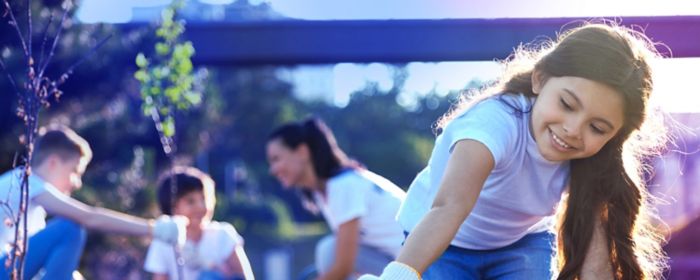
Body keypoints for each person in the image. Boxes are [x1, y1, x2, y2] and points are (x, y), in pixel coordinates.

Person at [360, 23, 668, 280]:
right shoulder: (492, 125)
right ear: (540, 79)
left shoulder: (596, 158)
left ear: (615, 135)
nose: (573, 130)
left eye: (597, 128)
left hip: (521, 243)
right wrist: (398, 275)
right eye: (566, 104)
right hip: (445, 241)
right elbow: (449, 207)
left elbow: (595, 255)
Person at [0, 125, 186, 280]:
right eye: (75, 171)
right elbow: (89, 218)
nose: (77, 183)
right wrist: (155, 229)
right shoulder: (25, 182)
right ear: (53, 163)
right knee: (70, 228)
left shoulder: (27, 197)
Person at [266, 118, 407, 280]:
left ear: (302, 152)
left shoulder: (342, 185)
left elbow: (342, 267)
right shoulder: (326, 191)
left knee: (329, 250)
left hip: (421, 270)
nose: (272, 170)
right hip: (403, 265)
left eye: (276, 159)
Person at [144, 166, 254, 280]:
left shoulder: (223, 235)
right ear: (173, 207)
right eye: (190, 201)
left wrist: (219, 270)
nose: (201, 207)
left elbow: (245, 277)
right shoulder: (163, 242)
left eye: (204, 198)